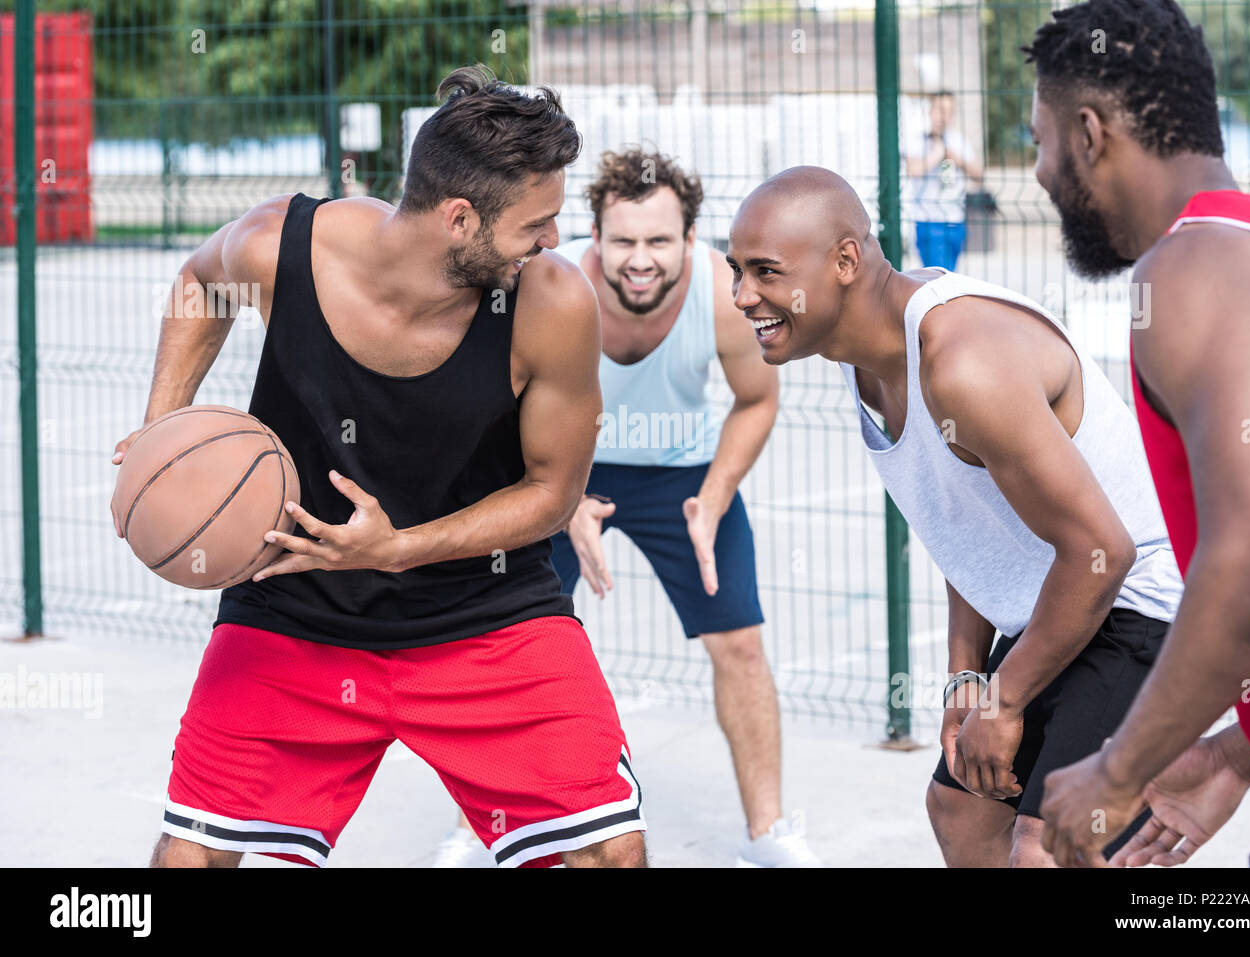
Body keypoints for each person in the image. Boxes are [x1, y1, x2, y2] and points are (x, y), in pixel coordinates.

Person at [110, 66, 648, 869]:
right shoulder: (281, 247)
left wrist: (400, 546)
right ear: (459, 218)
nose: (553, 242)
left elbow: (550, 494)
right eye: (536, 224)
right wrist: (164, 425)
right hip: (295, 607)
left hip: (486, 610)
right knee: (191, 857)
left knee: (610, 850)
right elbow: (199, 282)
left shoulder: (552, 303)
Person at [727, 165, 1184, 867]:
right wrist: (967, 679)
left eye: (764, 272)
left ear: (846, 260)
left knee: (1049, 843)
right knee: (960, 807)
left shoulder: (962, 360)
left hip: (1142, 603)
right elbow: (967, 523)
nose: (741, 295)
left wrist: (1003, 703)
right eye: (736, 271)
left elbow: (1104, 552)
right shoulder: (862, 356)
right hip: (1065, 605)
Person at [434, 146, 820, 868]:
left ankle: (768, 832)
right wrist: (563, 495)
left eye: (658, 241)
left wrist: (713, 498)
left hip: (683, 473)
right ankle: (473, 822)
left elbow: (757, 399)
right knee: (499, 634)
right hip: (557, 463)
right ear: (596, 239)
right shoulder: (549, 286)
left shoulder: (720, 297)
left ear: (690, 241)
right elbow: (497, 404)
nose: (640, 259)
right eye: (624, 241)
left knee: (738, 641)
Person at [1023, 0, 1250, 869]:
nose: (1036, 171)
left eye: (1040, 142)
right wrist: (1235, 751)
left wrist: (1118, 766)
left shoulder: (1192, 268)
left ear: (1090, 132)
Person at [904, 91, 983, 271]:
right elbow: (913, 170)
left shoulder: (958, 140)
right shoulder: (918, 140)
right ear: (930, 111)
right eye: (940, 110)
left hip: (955, 219)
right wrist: (936, 155)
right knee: (939, 278)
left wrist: (955, 157)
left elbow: (978, 174)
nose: (944, 116)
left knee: (950, 275)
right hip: (930, 219)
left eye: (949, 111)